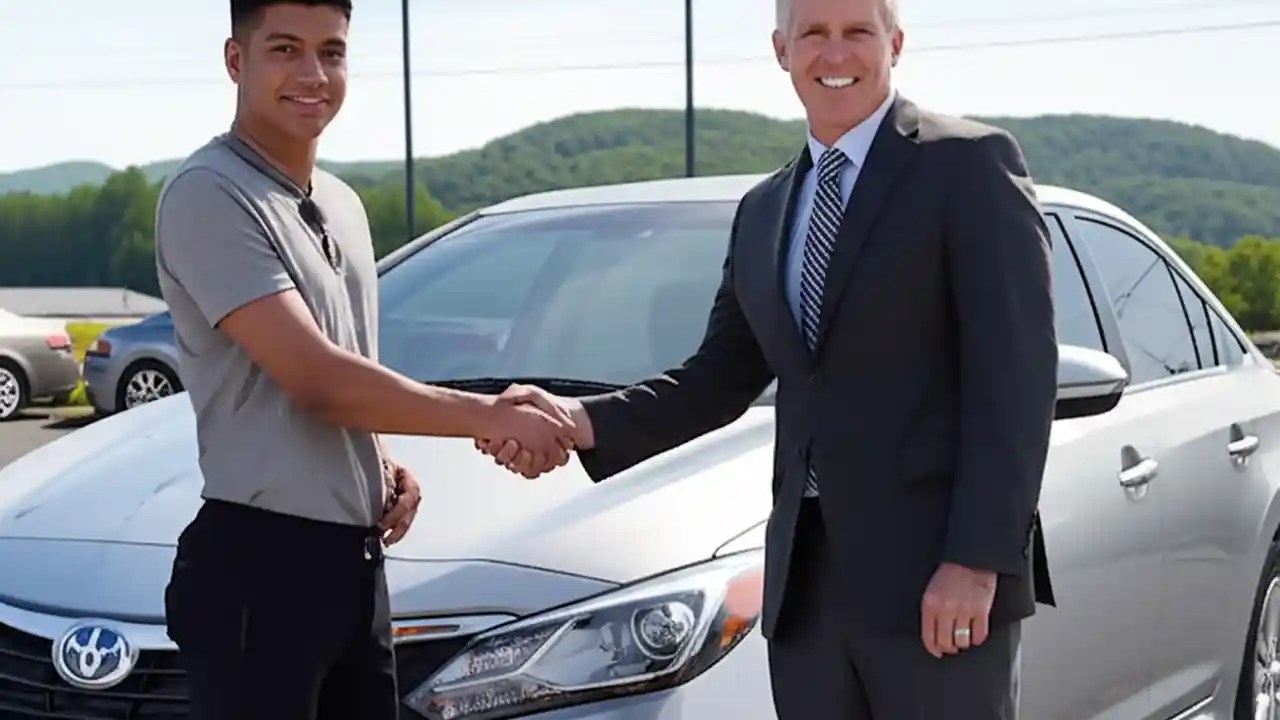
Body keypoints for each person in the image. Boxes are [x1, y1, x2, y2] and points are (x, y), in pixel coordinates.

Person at [478, 0, 1058, 716]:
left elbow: (1018, 380)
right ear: (781, 50)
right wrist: (575, 419)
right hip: (805, 593)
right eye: (813, 33)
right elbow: (717, 379)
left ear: (896, 44)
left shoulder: (966, 166)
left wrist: (977, 561)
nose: (834, 54)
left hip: (936, 585)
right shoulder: (764, 210)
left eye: (857, 32)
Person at [152, 1, 573, 717]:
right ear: (235, 61)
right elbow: (319, 382)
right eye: (284, 49)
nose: (313, 74)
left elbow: (348, 365)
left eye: (333, 52)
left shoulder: (343, 203)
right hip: (259, 567)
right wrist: (489, 414)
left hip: (355, 565)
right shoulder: (209, 195)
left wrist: (374, 461)